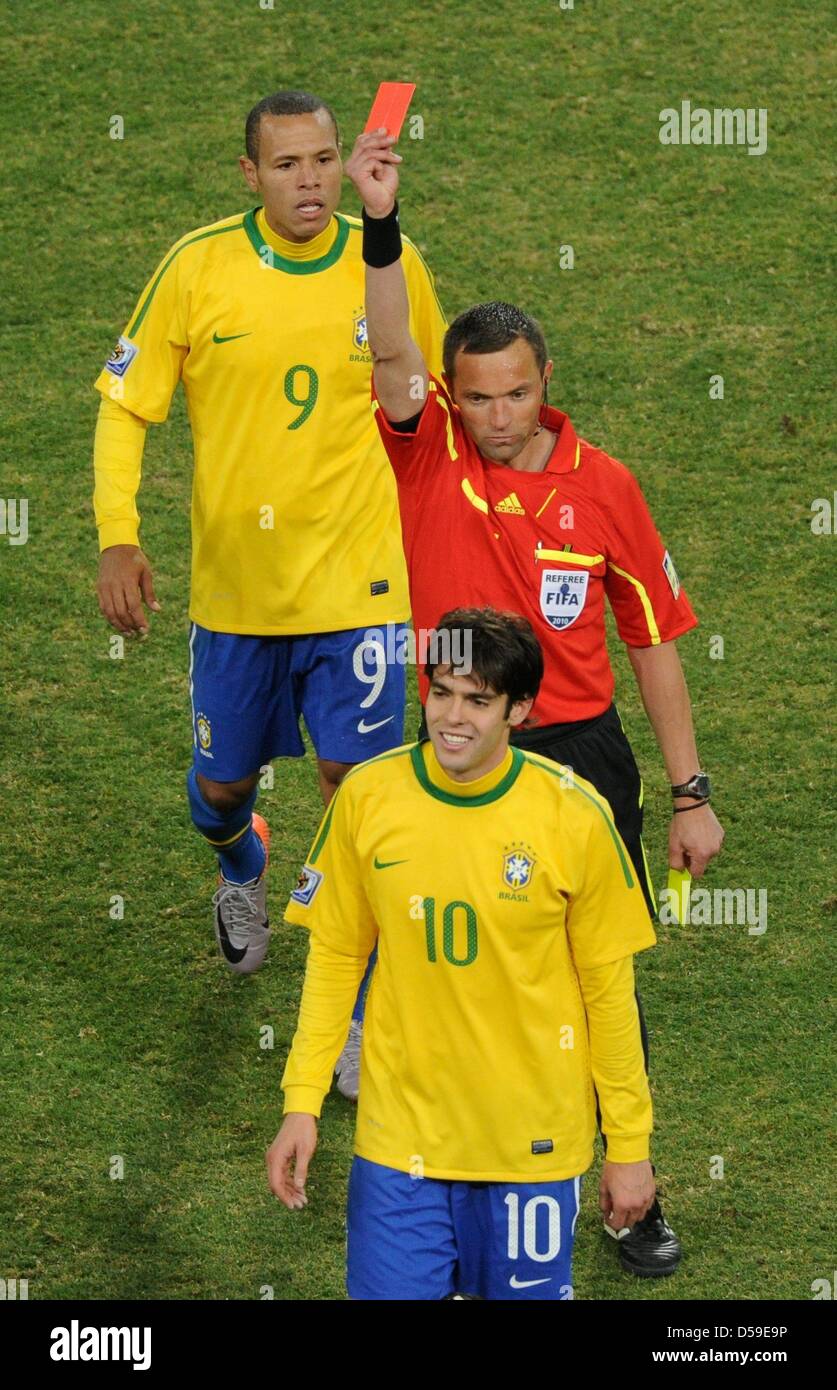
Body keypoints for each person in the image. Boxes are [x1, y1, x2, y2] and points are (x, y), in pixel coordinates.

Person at [343, 127, 725, 1276]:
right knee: (446, 968)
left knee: (592, 974)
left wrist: (691, 791)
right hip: (454, 746)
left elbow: (654, 644)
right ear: (451, 396)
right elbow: (392, 344)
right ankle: (452, 1171)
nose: (495, 413)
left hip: (578, 759)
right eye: (476, 395)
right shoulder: (428, 457)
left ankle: (629, 1176)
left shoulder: (606, 487)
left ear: (544, 383)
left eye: (513, 392)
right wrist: (379, 223)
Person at [92, 92, 446, 991]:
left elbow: (433, 405)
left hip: (361, 586)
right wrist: (117, 536)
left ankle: (363, 1011)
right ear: (250, 175)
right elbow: (127, 404)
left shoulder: (391, 262)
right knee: (218, 791)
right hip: (237, 595)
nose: (311, 183)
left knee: (356, 791)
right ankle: (243, 861)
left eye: (324, 160)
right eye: (287, 166)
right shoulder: (198, 267)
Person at [267, 608, 657, 1301]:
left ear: (520, 709)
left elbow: (609, 996)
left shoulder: (575, 817)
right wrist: (302, 1100)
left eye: (478, 700)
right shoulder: (366, 798)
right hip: (397, 1144)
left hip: (530, 1147)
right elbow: (334, 960)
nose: (453, 717)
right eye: (441, 691)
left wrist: (628, 1147)